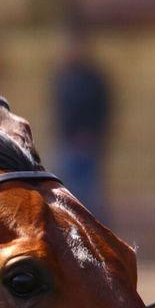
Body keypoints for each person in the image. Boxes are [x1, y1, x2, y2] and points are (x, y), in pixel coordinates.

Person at [51, 26, 112, 222]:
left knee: (88, 198)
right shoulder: (63, 78)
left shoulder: (93, 80)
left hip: (88, 145)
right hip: (66, 144)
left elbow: (103, 110)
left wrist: (95, 135)